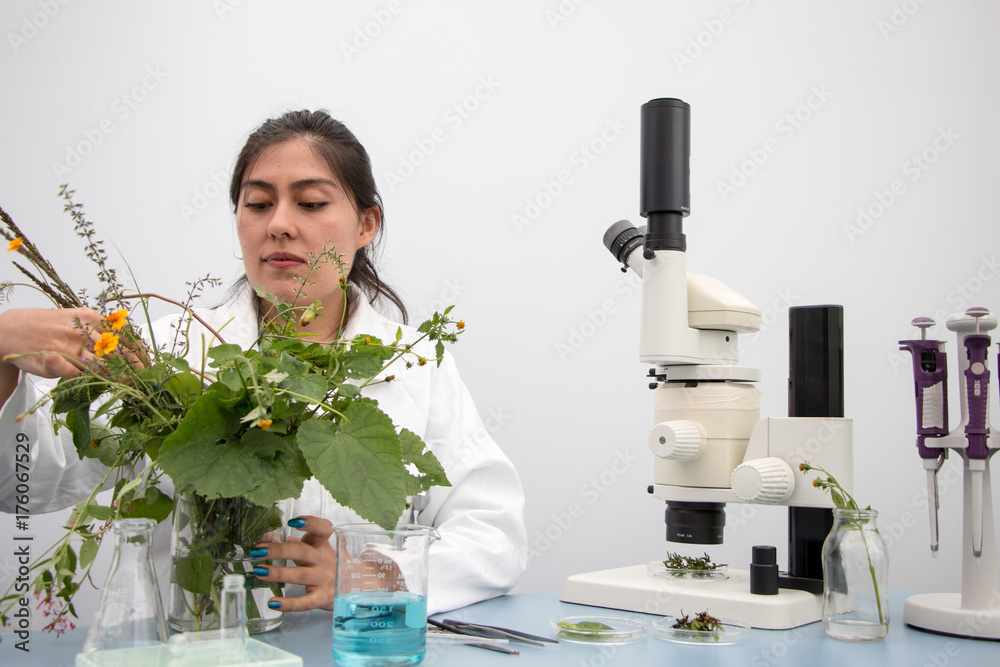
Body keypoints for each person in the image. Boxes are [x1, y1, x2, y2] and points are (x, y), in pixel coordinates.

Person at [0, 110, 527, 616]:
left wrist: (373, 574)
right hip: (198, 653)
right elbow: (21, 482)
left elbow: (494, 537)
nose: (279, 225)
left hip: (353, 653)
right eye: (257, 204)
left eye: (312, 203)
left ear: (367, 224)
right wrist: (3, 351)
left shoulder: (415, 367)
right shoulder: (166, 357)